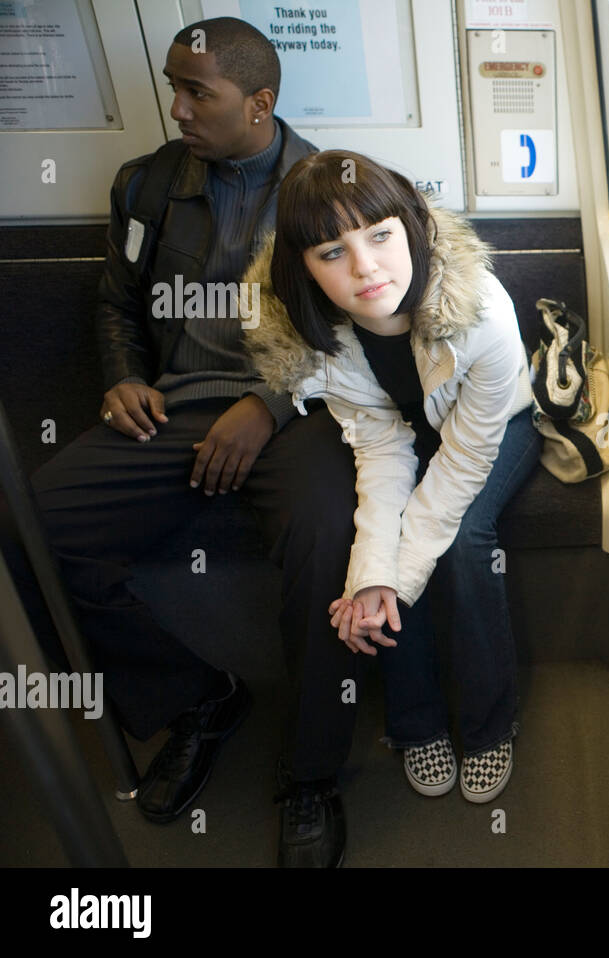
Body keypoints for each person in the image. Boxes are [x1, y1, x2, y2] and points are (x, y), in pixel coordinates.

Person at [2, 18, 354, 867]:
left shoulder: (325, 188)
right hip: (175, 410)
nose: (177, 107)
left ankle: (309, 776)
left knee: (327, 535)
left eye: (199, 92)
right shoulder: (148, 185)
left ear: (260, 104)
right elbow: (118, 305)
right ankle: (197, 699)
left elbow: (356, 323)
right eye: (174, 85)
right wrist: (122, 376)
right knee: (31, 529)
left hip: (299, 411)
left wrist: (267, 405)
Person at [242, 150, 539, 804]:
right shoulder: (312, 339)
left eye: (379, 236)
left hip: (496, 426)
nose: (365, 266)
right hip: (403, 436)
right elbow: (380, 446)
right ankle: (417, 722)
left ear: (410, 227)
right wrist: (372, 579)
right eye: (331, 253)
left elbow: (462, 460)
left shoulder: (481, 310)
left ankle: (491, 724)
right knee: (377, 558)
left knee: (459, 542)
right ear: (304, 269)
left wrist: (393, 579)